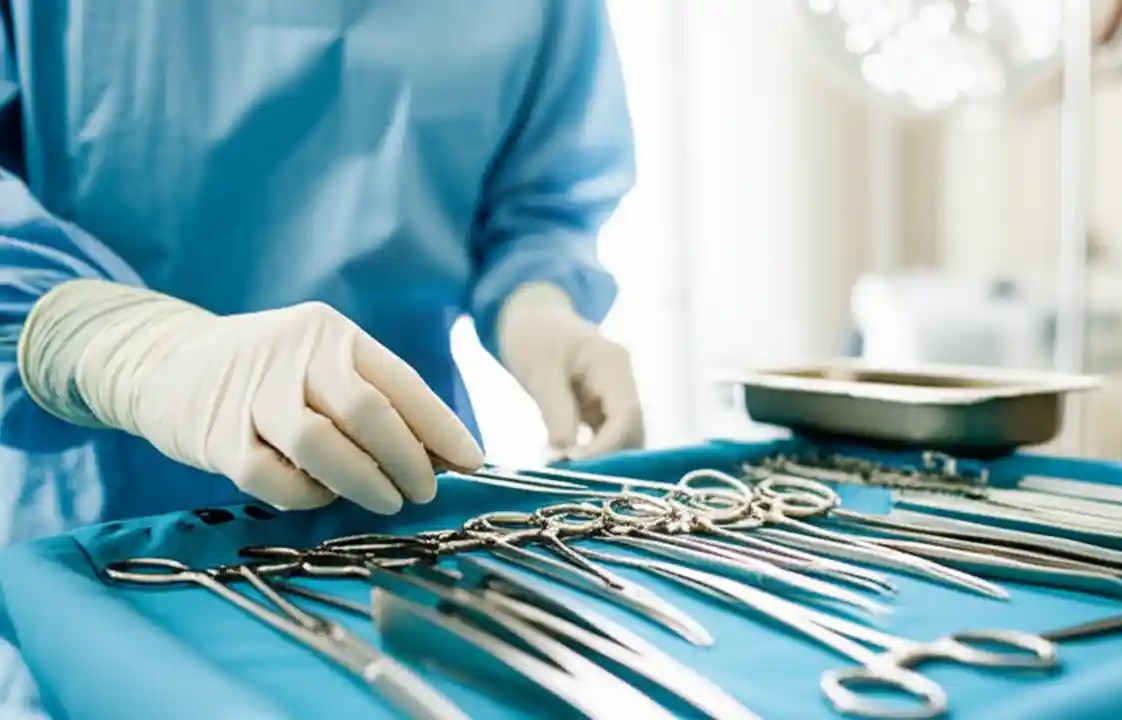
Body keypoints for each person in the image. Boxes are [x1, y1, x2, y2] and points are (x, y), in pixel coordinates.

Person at [0, 0, 643, 714]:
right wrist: (116, 345)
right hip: (104, 521)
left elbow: (539, 199)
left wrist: (539, 305)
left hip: (398, 521)